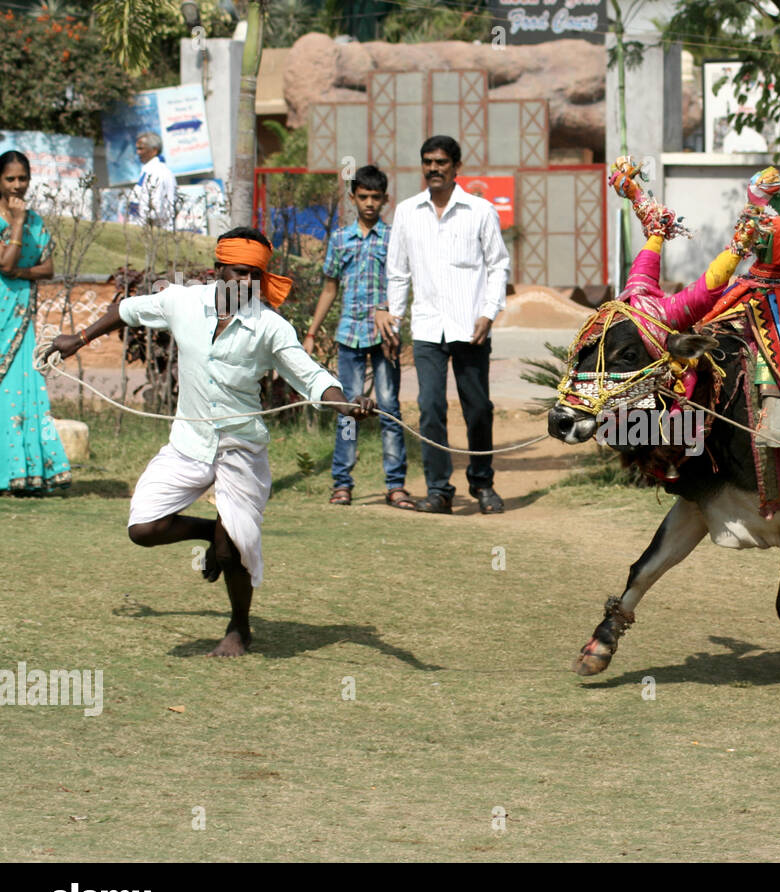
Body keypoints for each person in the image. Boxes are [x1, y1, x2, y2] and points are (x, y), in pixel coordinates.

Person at [44, 227, 376, 658]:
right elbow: (126, 309)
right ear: (217, 270)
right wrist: (77, 340)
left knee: (233, 545)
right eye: (236, 272)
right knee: (143, 529)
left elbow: (310, 376)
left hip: (240, 448)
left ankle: (240, 626)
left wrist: (345, 405)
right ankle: (211, 532)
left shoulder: (269, 327)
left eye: (254, 275)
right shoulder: (182, 301)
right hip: (189, 442)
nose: (244, 282)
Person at [383, 135, 510, 515]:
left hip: (470, 327)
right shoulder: (407, 212)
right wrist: (395, 317)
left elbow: (498, 264)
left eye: (440, 162)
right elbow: (398, 272)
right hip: (426, 328)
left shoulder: (480, 211)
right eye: (427, 162)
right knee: (430, 408)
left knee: (478, 409)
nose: (433, 169)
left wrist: (488, 312)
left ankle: (483, 484)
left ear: (456, 167)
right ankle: (439, 490)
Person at [304, 164, 413, 509]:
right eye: (363, 196)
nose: (369, 203)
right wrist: (311, 333)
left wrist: (396, 322)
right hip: (349, 335)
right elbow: (329, 288)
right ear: (353, 198)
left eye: (375, 197)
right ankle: (342, 483)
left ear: (385, 200)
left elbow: (403, 285)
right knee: (347, 410)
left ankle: (395, 485)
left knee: (390, 408)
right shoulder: (340, 239)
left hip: (385, 338)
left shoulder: (395, 238)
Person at [0, 150, 70, 495]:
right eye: (10, 178)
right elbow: (3, 262)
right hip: (1, 313)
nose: (17, 185)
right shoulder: (14, 219)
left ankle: (25, 473)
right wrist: (15, 224)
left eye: (22, 179)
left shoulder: (37, 222)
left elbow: (48, 268)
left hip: (21, 319)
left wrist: (20, 272)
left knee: (26, 392)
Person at [128, 132, 177, 227]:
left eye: (141, 149)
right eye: (137, 149)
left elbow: (155, 207)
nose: (138, 152)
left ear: (154, 150)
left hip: (154, 231)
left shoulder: (158, 172)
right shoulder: (148, 170)